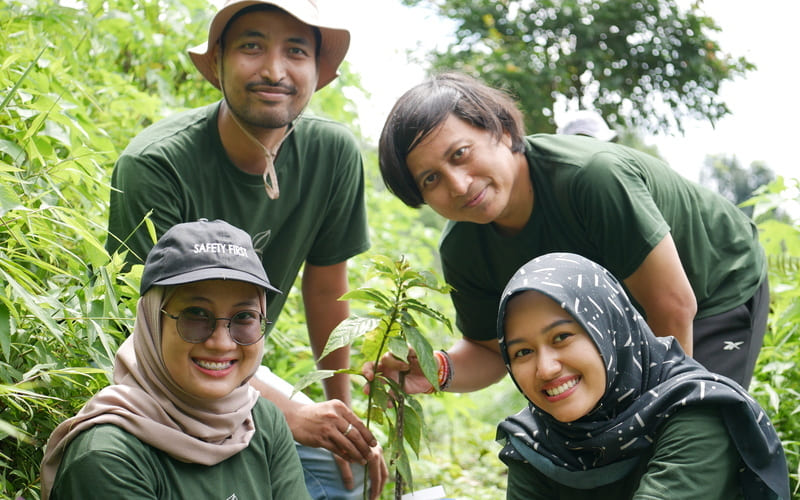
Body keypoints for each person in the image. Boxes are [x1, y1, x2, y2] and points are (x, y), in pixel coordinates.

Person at [104, 1, 387, 498]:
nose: (274, 70)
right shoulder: (156, 165)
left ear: (317, 71)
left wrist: (338, 417)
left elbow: (326, 290)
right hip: (172, 369)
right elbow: (146, 331)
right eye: (252, 46)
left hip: (241, 360)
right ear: (217, 62)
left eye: (295, 51)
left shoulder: (332, 154)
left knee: (359, 474)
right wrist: (290, 410)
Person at [368, 71, 768, 396]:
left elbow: (672, 307)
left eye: (460, 154)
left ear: (501, 132)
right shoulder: (463, 247)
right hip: (619, 323)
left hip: (712, 287)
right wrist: (437, 368)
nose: (458, 185)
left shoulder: (591, 178)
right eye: (431, 178)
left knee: (698, 436)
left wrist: (657, 415)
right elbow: (489, 351)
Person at [40, 219, 311, 500]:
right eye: (196, 315)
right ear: (152, 323)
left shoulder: (261, 422)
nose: (221, 343)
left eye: (244, 317)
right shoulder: (109, 457)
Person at [495, 252, 789, 500]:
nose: (546, 369)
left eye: (561, 337)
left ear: (609, 330)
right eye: (522, 352)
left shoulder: (695, 412)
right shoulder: (535, 440)